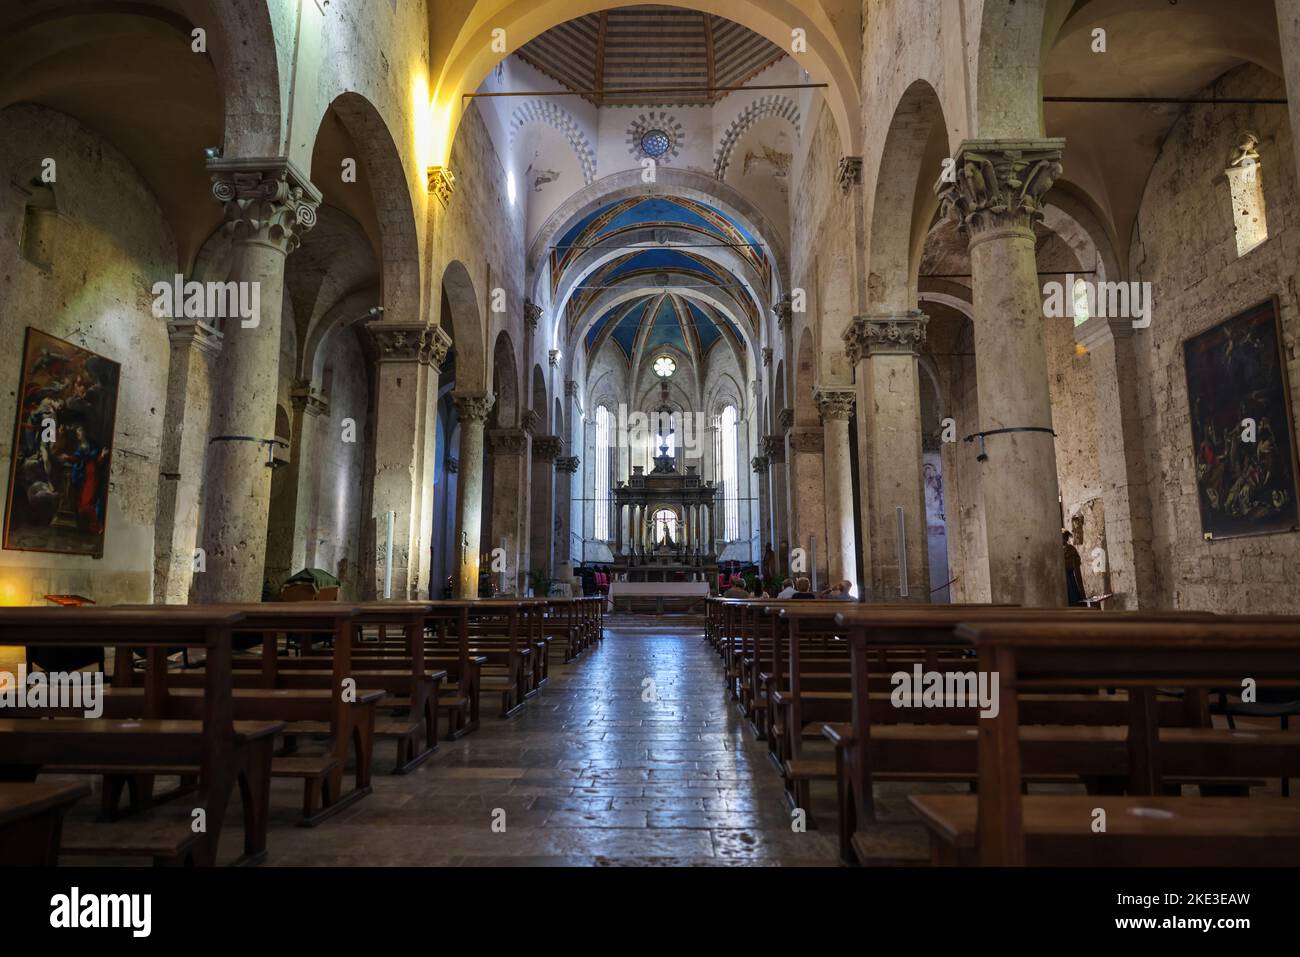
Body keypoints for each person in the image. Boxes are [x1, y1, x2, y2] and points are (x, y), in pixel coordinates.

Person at [1063, 530, 1086, 606]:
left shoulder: (1071, 549)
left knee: (1074, 595)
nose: (1064, 539)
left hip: (1070, 576)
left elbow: (1075, 564)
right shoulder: (1057, 550)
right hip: (1063, 578)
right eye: (1063, 537)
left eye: (1066, 537)